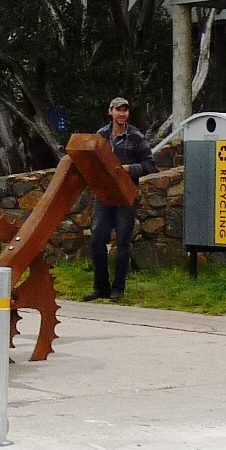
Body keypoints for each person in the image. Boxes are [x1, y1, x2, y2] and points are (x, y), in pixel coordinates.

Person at [85, 96, 157, 302]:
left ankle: (118, 288)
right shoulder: (100, 135)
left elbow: (150, 165)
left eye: (125, 110)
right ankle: (101, 287)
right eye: (118, 110)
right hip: (104, 195)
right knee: (97, 240)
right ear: (110, 112)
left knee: (123, 243)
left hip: (126, 197)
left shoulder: (136, 137)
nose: (121, 114)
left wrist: (129, 169)